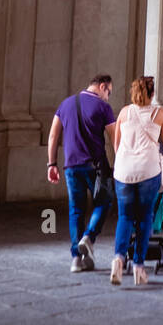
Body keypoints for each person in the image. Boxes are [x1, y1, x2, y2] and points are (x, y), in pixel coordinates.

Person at [110, 75, 163, 287]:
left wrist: (124, 160)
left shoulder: (124, 112)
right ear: (152, 93)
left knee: (125, 216)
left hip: (123, 172)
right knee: (145, 216)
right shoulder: (159, 113)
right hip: (148, 171)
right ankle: (139, 266)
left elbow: (116, 143)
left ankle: (119, 258)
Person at [47, 74, 116, 273]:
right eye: (109, 92)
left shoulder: (66, 104)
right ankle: (88, 237)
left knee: (75, 210)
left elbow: (53, 135)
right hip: (95, 166)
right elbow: (114, 138)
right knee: (104, 201)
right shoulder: (103, 108)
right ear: (102, 86)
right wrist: (120, 162)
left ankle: (76, 260)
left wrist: (51, 164)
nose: (108, 97)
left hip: (70, 166)